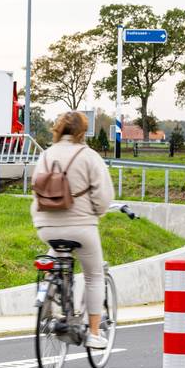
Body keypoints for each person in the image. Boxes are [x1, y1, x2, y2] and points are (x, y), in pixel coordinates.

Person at [31, 111, 115, 349]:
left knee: (53, 259)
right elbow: (103, 196)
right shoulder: (89, 156)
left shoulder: (46, 155)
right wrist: (97, 212)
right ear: (82, 131)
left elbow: (35, 188)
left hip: (46, 226)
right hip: (81, 227)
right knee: (94, 275)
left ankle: (48, 295)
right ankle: (95, 333)